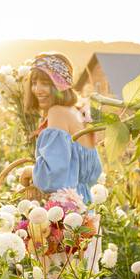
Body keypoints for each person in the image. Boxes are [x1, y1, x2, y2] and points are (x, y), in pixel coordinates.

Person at [28, 52, 101, 203]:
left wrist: (29, 172)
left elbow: (52, 179)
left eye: (45, 83)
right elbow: (95, 173)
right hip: (85, 205)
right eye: (34, 83)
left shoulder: (57, 112)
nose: (37, 89)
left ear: (60, 85)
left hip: (65, 211)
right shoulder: (80, 113)